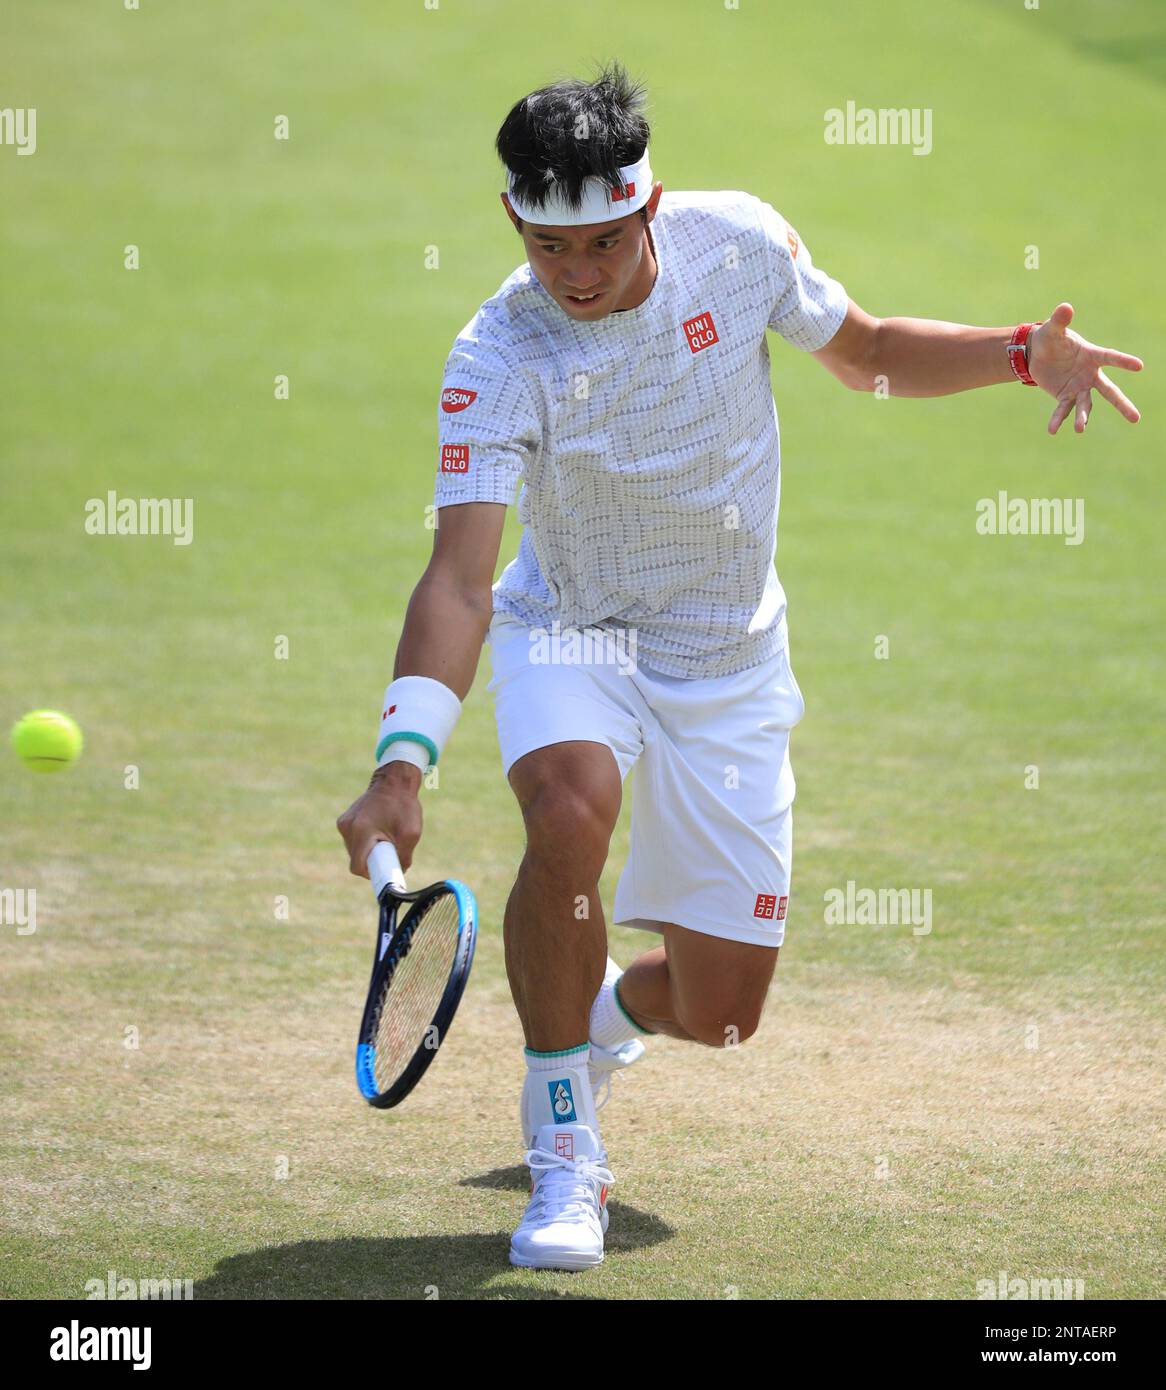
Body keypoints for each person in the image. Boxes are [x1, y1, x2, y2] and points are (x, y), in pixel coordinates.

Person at [337, 61, 1142, 1272]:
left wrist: (1021, 352)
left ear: (648, 210)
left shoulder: (738, 243)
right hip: (575, 628)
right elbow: (459, 578)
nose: (578, 274)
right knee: (567, 810)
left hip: (726, 652)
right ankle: (563, 1150)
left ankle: (601, 1014)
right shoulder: (492, 355)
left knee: (720, 1011)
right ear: (514, 220)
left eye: (603, 242)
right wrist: (402, 760)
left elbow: (864, 348)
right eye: (551, 248)